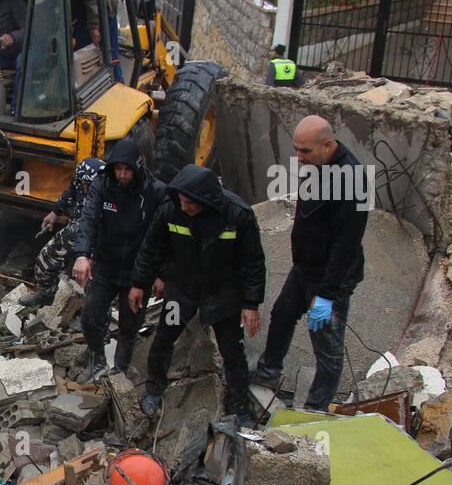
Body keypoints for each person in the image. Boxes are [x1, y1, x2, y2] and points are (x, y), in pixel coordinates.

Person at [128, 164, 266, 427]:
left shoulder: (237, 215)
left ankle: (238, 408)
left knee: (232, 352)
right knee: (164, 339)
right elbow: (151, 249)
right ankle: (154, 390)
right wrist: (139, 283)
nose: (183, 207)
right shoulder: (171, 211)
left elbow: (253, 262)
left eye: (189, 203)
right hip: (182, 290)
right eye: (180, 201)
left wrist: (250, 303)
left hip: (224, 294)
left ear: (204, 200)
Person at [252, 116, 370, 411]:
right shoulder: (317, 166)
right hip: (305, 267)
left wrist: (328, 294)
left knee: (326, 346)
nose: (298, 157)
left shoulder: (352, 180)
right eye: (296, 149)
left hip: (331, 277)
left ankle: (316, 407)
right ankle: (268, 371)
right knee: (282, 315)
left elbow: (347, 244)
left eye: (304, 151)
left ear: (327, 145)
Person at [66, 137, 168, 380]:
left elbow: (165, 236)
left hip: (138, 272)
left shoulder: (156, 192)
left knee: (129, 326)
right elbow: (89, 219)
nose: (122, 175)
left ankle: (119, 372)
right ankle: (96, 357)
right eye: (118, 169)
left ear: (137, 168)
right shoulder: (103, 185)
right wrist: (83, 255)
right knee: (90, 316)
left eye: (127, 169)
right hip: (106, 264)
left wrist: (161, 274)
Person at [19, 156, 105, 309]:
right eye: (82, 184)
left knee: (94, 278)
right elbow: (70, 191)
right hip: (76, 228)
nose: (84, 188)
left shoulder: (109, 194)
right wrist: (55, 212)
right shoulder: (81, 178)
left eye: (88, 185)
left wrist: (90, 256)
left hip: (99, 235)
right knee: (47, 257)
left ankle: (94, 312)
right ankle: (45, 294)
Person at [78, 0, 123, 83]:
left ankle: (118, 85)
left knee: (109, 52)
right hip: (88, 9)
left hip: (103, 10)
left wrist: (94, 26)